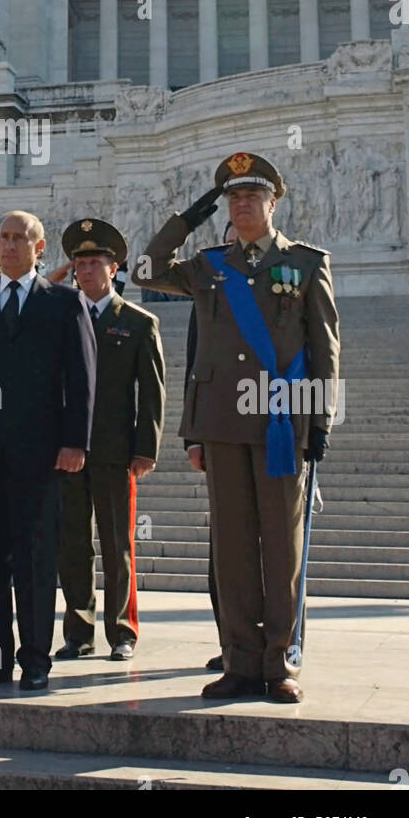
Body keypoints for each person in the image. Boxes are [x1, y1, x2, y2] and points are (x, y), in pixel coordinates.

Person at [138, 151, 340, 704]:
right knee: (231, 550)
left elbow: (324, 347)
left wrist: (319, 418)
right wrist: (189, 217)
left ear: (273, 202)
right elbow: (147, 271)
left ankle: (281, 663)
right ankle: (240, 662)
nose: (242, 203)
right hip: (224, 421)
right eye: (232, 197)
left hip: (281, 420)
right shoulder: (208, 265)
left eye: (252, 195)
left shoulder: (303, 263)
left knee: (282, 547)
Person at [0, 211, 96, 692]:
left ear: (39, 247)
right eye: (3, 237)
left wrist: (76, 441)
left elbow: (83, 379)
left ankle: (35, 661)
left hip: (41, 456)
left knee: (34, 560)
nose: (8, 246)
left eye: (18, 239)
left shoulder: (66, 303)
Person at [56, 219, 165, 661]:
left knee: (118, 543)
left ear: (114, 267)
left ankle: (122, 631)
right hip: (67, 450)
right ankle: (78, 632)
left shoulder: (137, 322)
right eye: (79, 263)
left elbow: (152, 390)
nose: (85, 270)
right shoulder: (60, 318)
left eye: (94, 262)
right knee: (72, 543)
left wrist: (145, 448)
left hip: (116, 451)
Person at [184, 221, 237, 670]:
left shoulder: (291, 282)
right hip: (221, 429)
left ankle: (280, 647)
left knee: (277, 547)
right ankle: (233, 644)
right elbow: (195, 366)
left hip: (274, 430)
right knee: (225, 542)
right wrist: (194, 435)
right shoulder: (209, 290)